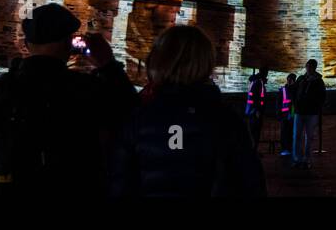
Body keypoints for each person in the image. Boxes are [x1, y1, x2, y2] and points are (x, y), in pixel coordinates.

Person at [0, 3, 136, 196]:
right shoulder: (85, 88)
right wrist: (108, 65)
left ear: (27, 45)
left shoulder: (2, 87)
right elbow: (131, 112)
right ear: (67, 44)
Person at [110, 25, 263, 197]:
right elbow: (250, 185)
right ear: (206, 62)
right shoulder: (227, 121)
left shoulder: (137, 120)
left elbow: (119, 185)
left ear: (158, 61)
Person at [291, 59, 326, 169]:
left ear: (314, 68)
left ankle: (306, 160)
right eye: (308, 66)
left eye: (310, 67)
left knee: (309, 137)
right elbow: (294, 91)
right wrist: (296, 104)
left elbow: (322, 97)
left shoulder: (319, 82)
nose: (309, 69)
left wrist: (315, 105)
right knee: (297, 136)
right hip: (300, 111)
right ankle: (297, 159)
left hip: (311, 113)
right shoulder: (301, 79)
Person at [244, 67, 269, 150]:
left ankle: (253, 150)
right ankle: (253, 151)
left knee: (253, 132)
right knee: (255, 132)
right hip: (255, 112)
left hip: (252, 110)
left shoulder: (255, 81)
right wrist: (258, 110)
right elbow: (257, 97)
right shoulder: (258, 82)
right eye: (266, 72)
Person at [279, 73, 297, 156]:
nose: (290, 81)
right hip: (285, 115)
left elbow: (294, 104)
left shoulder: (295, 90)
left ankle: (289, 148)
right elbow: (279, 103)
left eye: (291, 80)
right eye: (289, 80)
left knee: (290, 133)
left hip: (290, 115)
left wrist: (292, 114)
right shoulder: (283, 90)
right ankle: (285, 148)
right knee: (284, 133)